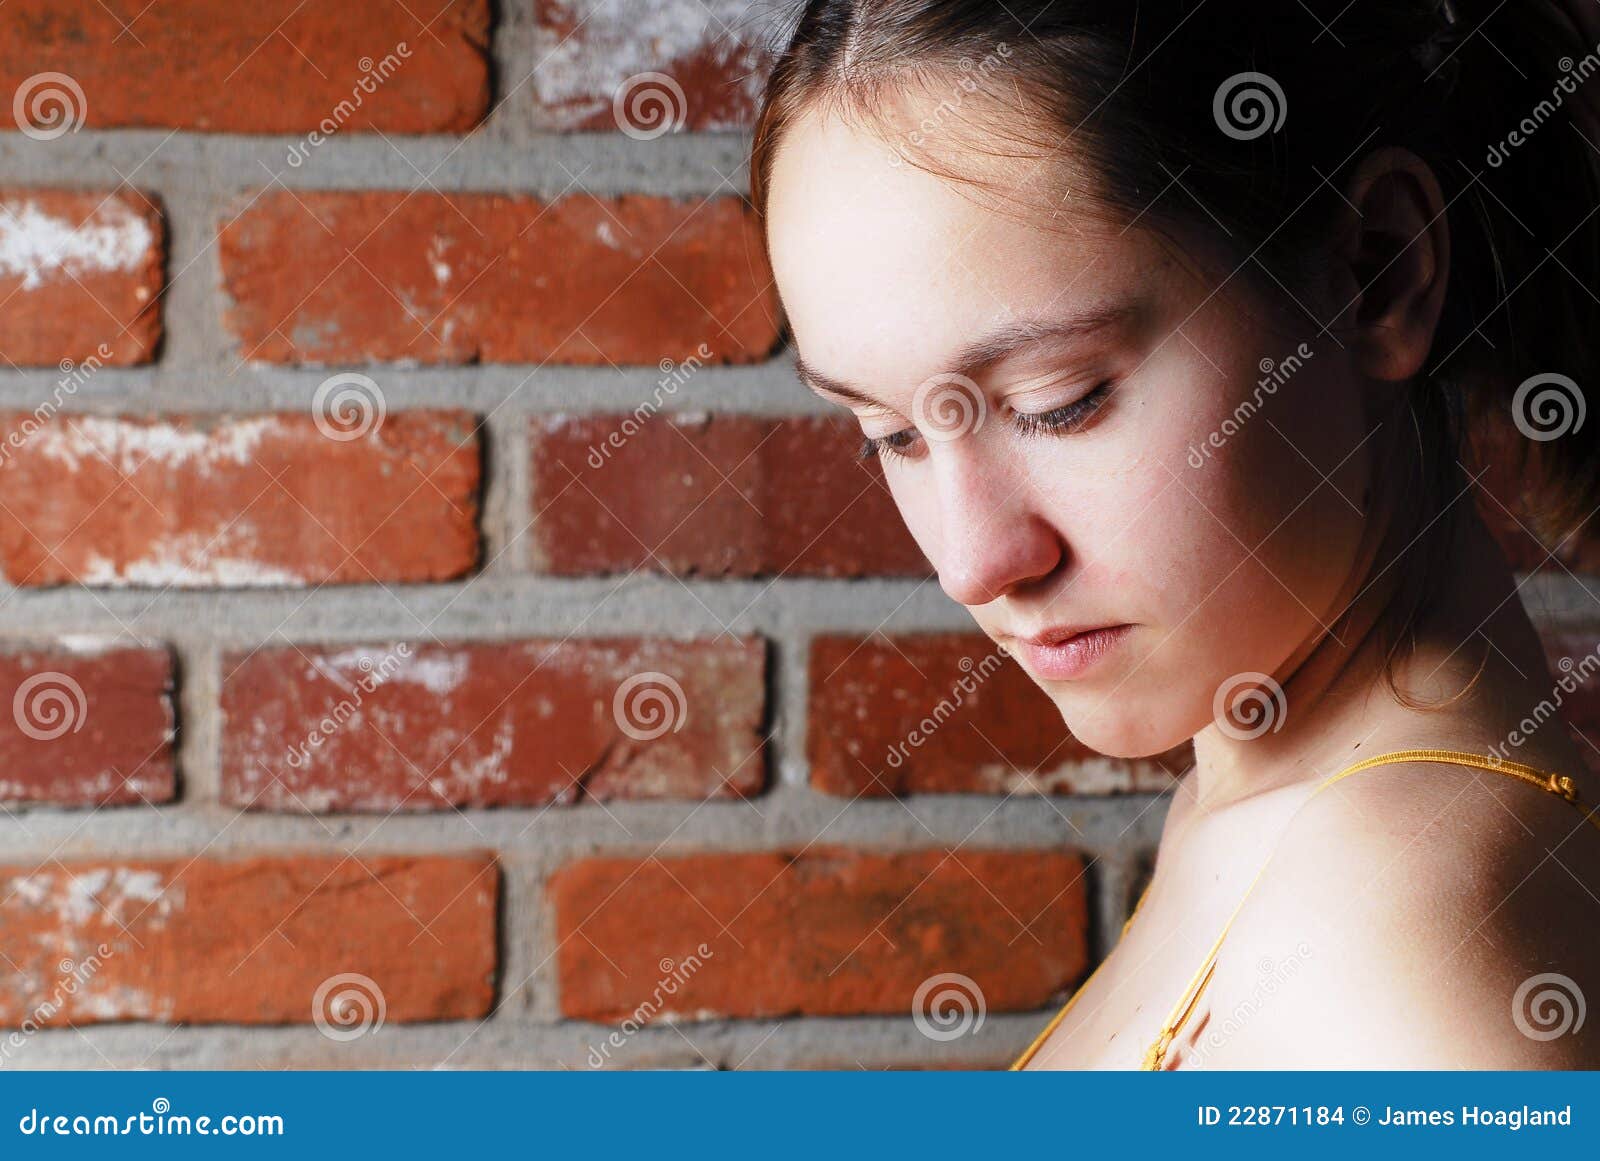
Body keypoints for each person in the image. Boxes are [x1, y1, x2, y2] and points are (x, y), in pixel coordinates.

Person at [751, 0, 1600, 1068]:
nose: (972, 565)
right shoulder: (1252, 810)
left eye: (1060, 401)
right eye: (887, 435)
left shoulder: (1388, 944)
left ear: (1377, 275)